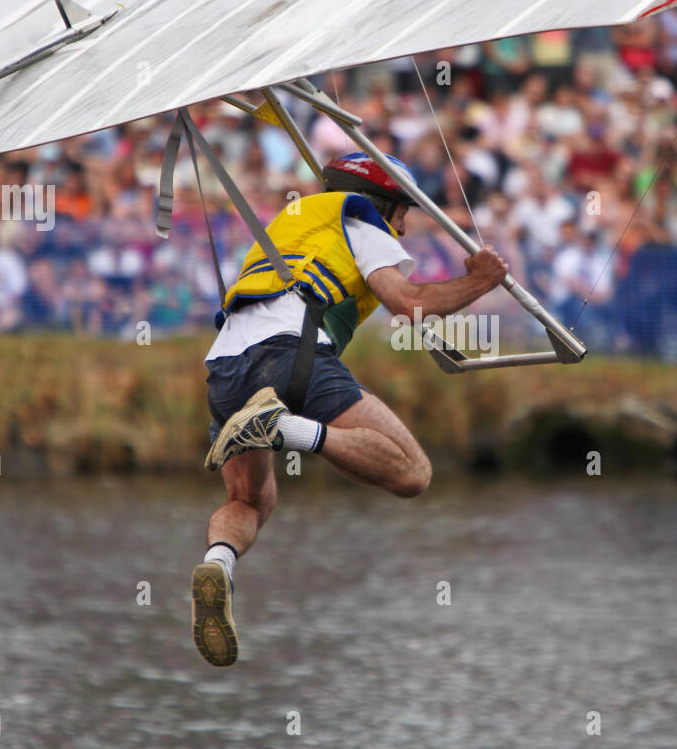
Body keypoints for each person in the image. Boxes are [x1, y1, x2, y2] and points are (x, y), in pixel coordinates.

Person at [190, 152, 509, 667]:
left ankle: (217, 565)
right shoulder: (361, 219)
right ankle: (285, 429)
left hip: (225, 369)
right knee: (413, 473)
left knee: (251, 500)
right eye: (403, 211)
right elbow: (408, 304)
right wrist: (479, 281)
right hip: (288, 353)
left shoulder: (295, 221)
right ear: (385, 200)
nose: (403, 227)